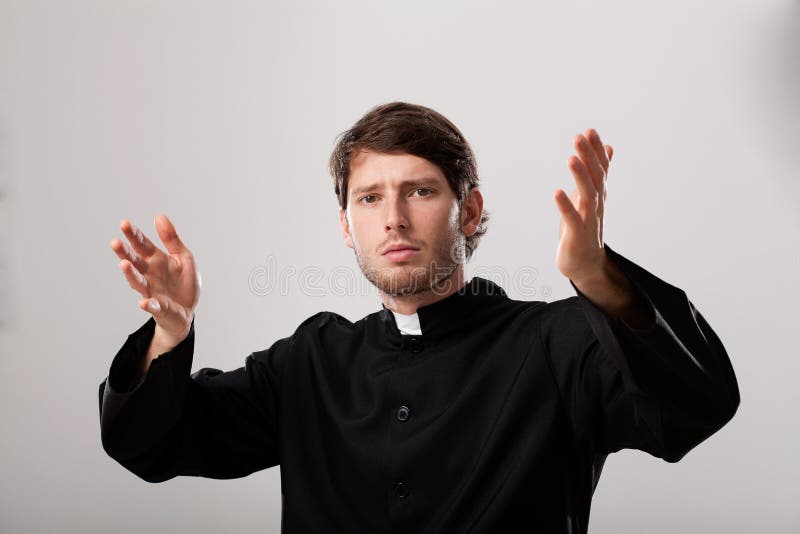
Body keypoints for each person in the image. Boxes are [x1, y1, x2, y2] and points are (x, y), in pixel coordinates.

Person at [99, 102, 740, 533]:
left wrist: (598, 277)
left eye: (421, 191)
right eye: (370, 198)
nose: (393, 219)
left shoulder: (558, 342)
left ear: (469, 210)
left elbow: (697, 406)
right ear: (346, 227)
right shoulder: (311, 362)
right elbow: (152, 447)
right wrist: (171, 331)